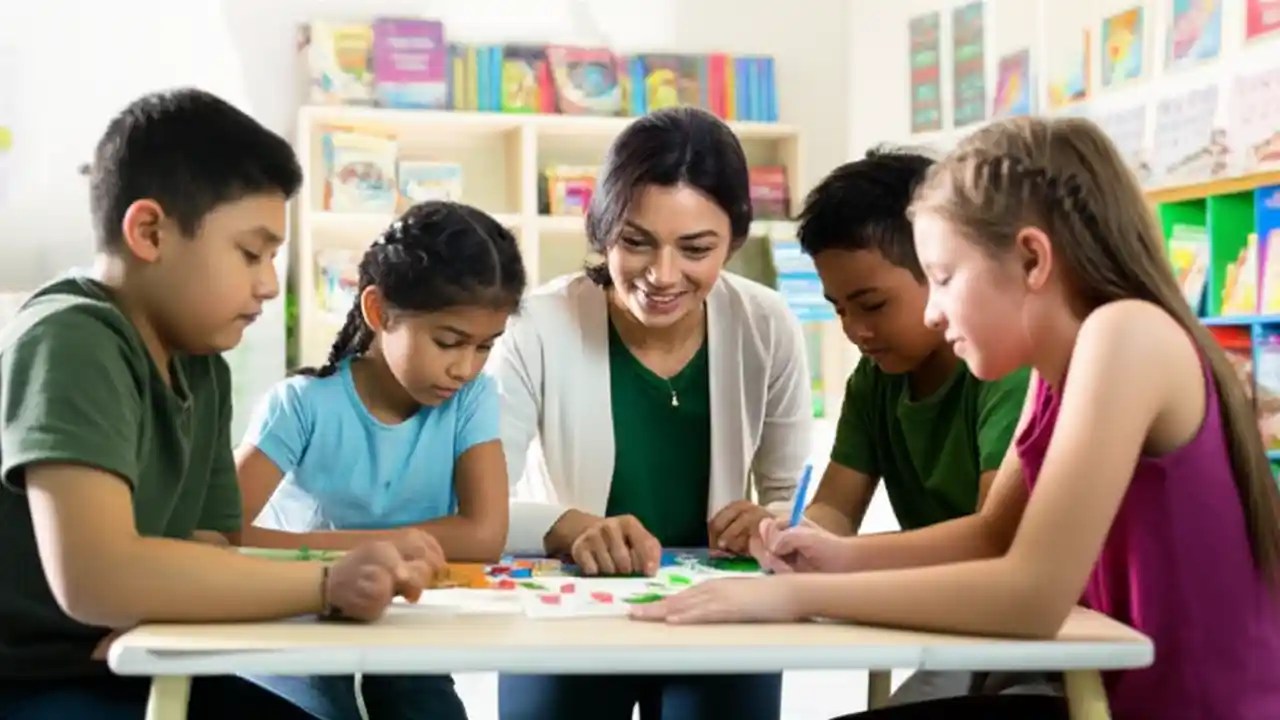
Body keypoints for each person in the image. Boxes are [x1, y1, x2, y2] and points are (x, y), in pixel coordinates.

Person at [631, 116, 1280, 720]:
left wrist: (793, 596)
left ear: (1031, 260)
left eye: (943, 277)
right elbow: (994, 537)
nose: (936, 314)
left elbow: (1031, 595)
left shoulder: (1125, 335)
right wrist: (836, 558)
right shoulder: (1059, 367)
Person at [0, 88, 441, 720]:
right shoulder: (70, 337)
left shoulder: (201, 362)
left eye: (274, 257)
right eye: (250, 252)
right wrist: (325, 583)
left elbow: (209, 547)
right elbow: (96, 577)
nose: (267, 283)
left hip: (127, 655)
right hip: (31, 678)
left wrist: (354, 557)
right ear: (150, 231)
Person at [492, 106, 813, 720]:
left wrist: (768, 526)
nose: (662, 276)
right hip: (570, 603)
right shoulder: (535, 325)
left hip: (720, 611)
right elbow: (481, 511)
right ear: (603, 227)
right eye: (636, 242)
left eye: (695, 249)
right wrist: (573, 527)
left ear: (735, 240)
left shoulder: (768, 324)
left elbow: (791, 502)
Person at [753, 150, 1032, 704]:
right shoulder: (877, 378)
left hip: (1027, 635)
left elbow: (992, 539)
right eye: (838, 310)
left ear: (938, 269)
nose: (856, 330)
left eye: (873, 305)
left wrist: (839, 561)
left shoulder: (1006, 369)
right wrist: (789, 533)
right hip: (953, 628)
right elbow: (835, 509)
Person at [234, 200, 525, 720]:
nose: (464, 367)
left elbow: (484, 535)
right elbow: (224, 531)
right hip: (303, 623)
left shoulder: (472, 400)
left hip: (405, 625)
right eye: (449, 342)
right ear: (378, 311)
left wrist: (344, 554)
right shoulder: (301, 405)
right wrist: (368, 556)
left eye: (485, 347)